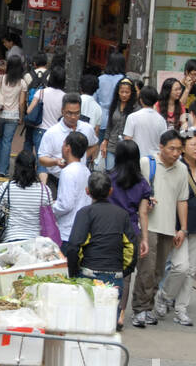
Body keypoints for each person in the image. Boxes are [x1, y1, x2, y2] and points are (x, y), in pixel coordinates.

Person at [157, 130, 196, 327]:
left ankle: (181, 309)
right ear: (184, 148)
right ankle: (164, 296)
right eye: (194, 144)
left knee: (191, 270)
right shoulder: (176, 167)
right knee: (179, 267)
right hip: (177, 225)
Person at [131, 129, 189, 328]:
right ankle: (140, 309)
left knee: (158, 272)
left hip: (168, 227)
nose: (175, 153)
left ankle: (148, 307)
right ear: (161, 147)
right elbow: (134, 190)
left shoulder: (182, 169)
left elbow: (182, 200)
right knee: (146, 269)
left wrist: (183, 228)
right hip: (148, 225)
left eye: (179, 150)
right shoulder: (146, 163)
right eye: (172, 149)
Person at [64, 169, 136, 315]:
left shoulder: (85, 213)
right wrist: (123, 271)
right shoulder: (122, 215)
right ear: (110, 191)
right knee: (108, 325)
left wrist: (73, 272)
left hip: (88, 274)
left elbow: (73, 247)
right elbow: (131, 248)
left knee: (85, 322)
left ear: (87, 191)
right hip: (115, 275)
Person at [109, 138, 151, 329]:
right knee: (126, 275)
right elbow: (143, 213)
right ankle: (121, 315)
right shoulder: (142, 184)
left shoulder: (108, 177)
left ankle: (106, 311)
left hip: (109, 228)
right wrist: (145, 239)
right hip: (131, 232)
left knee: (106, 269)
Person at [0, 150, 55, 244]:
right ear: (35, 167)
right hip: (35, 242)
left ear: (16, 167)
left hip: (11, 240)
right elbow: (52, 216)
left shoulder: (6, 187)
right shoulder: (44, 190)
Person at [0, 54, 32, 176]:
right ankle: (3, 169)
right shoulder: (22, 83)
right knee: (7, 142)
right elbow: (22, 102)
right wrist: (21, 116)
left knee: (0, 139)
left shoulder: (0, 79)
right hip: (12, 116)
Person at [38, 93, 97, 178]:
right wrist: (56, 162)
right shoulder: (52, 132)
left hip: (80, 177)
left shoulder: (87, 128)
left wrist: (82, 157)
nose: (73, 117)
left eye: (77, 113)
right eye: (69, 113)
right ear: (62, 111)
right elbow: (42, 159)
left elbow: (94, 145)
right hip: (57, 177)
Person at [52, 130, 92, 243]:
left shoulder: (68, 172)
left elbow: (65, 204)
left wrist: (51, 208)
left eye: (63, 144)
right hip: (81, 229)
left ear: (67, 148)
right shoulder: (86, 170)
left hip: (67, 231)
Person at [123, 84, 166, 171]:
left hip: (136, 161)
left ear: (141, 100)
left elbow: (127, 140)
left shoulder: (132, 117)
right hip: (155, 162)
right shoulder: (161, 120)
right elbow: (164, 141)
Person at [100, 76, 138, 172]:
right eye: (122, 92)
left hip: (127, 148)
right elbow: (109, 125)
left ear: (131, 93)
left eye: (127, 92)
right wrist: (105, 141)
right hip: (112, 145)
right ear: (118, 92)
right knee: (110, 172)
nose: (124, 95)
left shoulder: (135, 108)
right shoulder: (114, 105)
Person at [22, 52, 52, 155]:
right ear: (46, 63)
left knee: (28, 141)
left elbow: (24, 94)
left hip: (31, 112)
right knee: (42, 142)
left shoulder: (28, 76)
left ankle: (27, 163)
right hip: (45, 113)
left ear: (34, 63)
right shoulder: (50, 75)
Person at [79, 73, 103, 142]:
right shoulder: (98, 108)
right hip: (88, 142)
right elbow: (96, 132)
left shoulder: (76, 101)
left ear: (81, 86)